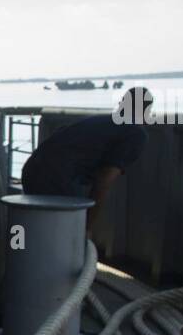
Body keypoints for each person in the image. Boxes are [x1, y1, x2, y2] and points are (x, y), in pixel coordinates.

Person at [21, 87, 151, 235]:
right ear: (146, 110)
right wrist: (87, 227)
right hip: (57, 177)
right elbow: (104, 181)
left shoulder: (102, 122)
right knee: (66, 235)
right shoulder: (135, 133)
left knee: (43, 232)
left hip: (32, 169)